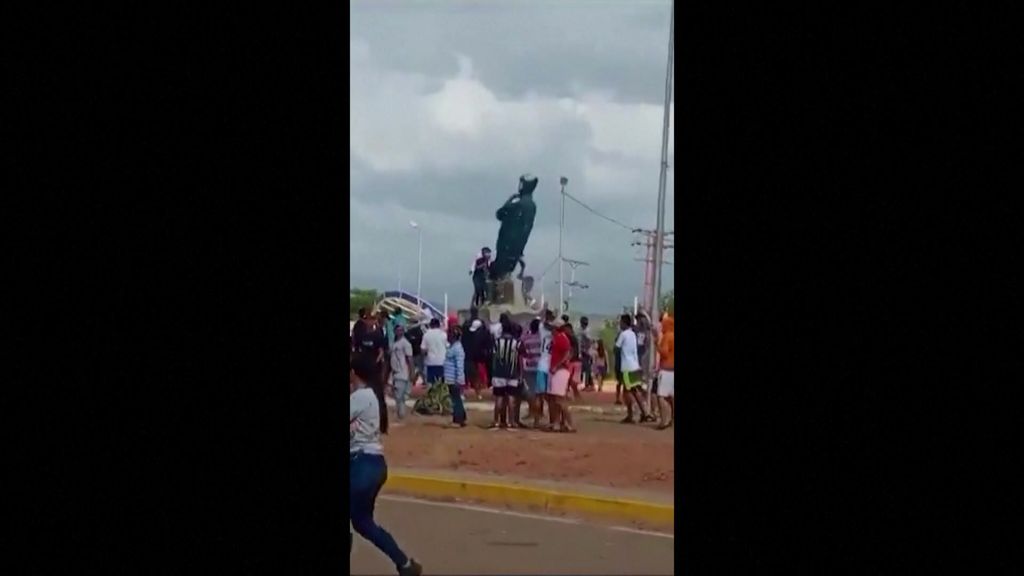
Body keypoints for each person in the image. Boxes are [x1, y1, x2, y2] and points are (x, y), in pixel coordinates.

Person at [350, 352, 423, 576]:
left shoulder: (360, 397)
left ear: (353, 373)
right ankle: (404, 564)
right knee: (363, 523)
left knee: (360, 520)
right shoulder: (371, 395)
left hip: (361, 465)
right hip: (374, 465)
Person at [616, 314, 655, 424]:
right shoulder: (633, 334)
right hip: (635, 365)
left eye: (621, 322)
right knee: (635, 390)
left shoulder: (623, 334)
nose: (620, 324)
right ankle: (645, 413)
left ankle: (631, 415)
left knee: (627, 391)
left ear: (624, 323)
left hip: (627, 367)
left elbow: (617, 348)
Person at [489, 316, 521, 430]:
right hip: (512, 373)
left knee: (499, 398)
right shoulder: (516, 343)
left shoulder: (497, 342)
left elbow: (493, 358)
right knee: (511, 399)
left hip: (499, 373)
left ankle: (496, 421)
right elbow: (520, 357)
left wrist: (492, 372)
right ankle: (511, 422)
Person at [546, 318, 576, 432]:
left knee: (560, 400)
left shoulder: (561, 338)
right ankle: (557, 423)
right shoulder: (558, 338)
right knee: (556, 399)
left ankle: (570, 424)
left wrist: (557, 366)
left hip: (560, 371)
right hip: (557, 371)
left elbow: (567, 353)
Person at [519, 318, 544, 429]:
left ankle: (534, 415)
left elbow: (523, 351)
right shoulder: (542, 339)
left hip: (529, 368)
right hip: (541, 368)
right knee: (539, 394)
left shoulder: (527, 339)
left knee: (532, 394)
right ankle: (537, 419)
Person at [443, 325, 468, 428]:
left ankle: (458, 420)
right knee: (456, 399)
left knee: (456, 400)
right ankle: (461, 418)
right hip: (450, 378)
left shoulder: (457, 349)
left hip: (454, 379)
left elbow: (459, 366)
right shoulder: (452, 347)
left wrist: (460, 380)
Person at [389, 325, 414, 423]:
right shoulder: (394, 344)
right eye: (398, 330)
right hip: (395, 372)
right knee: (397, 395)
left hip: (402, 372)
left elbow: (410, 359)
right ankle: (400, 414)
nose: (399, 332)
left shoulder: (405, 344)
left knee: (399, 395)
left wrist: (412, 372)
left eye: (401, 330)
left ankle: (401, 414)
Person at [535, 309, 556, 426]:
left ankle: (537, 421)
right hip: (551, 367)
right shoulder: (556, 333)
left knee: (538, 396)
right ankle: (552, 421)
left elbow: (543, 323)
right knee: (551, 397)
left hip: (541, 365)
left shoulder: (541, 328)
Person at [655, 314, 675, 430]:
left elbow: (665, 353)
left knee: (661, 396)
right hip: (673, 370)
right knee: (671, 396)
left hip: (666, 369)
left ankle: (664, 420)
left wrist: (657, 345)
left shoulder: (667, 336)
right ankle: (671, 418)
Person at [421, 318, 448, 387]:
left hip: (430, 362)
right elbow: (447, 347)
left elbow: (423, 350)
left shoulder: (426, 335)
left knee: (432, 384)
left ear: (430, 325)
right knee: (441, 383)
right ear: (439, 325)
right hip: (442, 362)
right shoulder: (444, 334)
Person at [564, 322, 583, 402]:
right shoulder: (571, 337)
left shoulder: (571, 338)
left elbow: (573, 350)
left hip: (574, 361)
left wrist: (568, 358)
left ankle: (576, 396)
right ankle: (575, 396)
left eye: (566, 329)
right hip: (574, 361)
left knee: (571, 381)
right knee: (569, 380)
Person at [579, 316, 594, 391]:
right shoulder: (583, 330)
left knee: (587, 369)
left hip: (587, 353)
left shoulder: (586, 331)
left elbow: (589, 341)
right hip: (585, 352)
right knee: (586, 369)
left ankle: (588, 384)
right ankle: (590, 384)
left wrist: (586, 349)